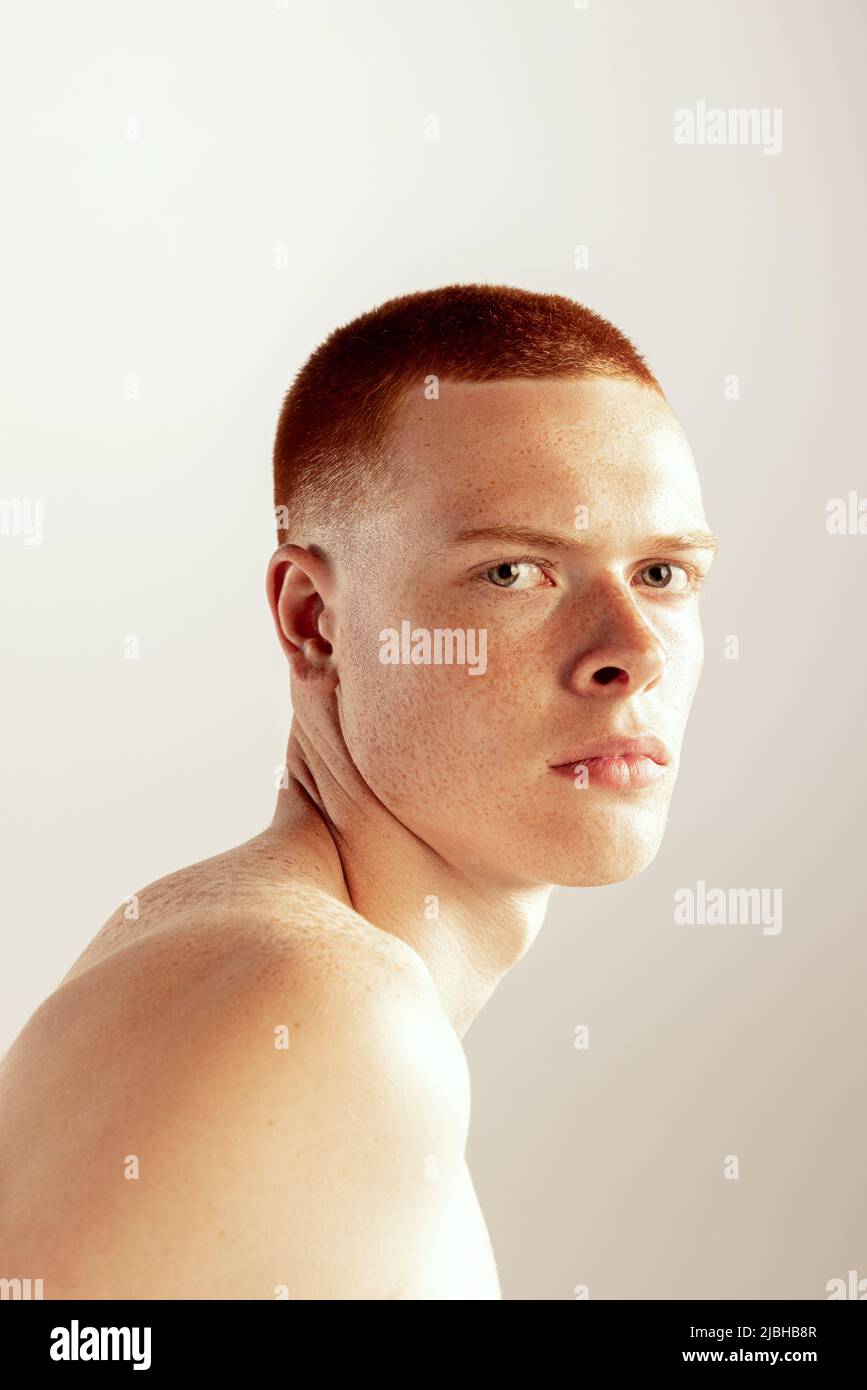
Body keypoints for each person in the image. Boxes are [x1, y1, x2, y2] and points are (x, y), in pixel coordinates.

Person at [0, 284, 717, 1299]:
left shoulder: (265, 968)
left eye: (662, 573)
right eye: (514, 571)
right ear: (315, 622)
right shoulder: (311, 1005)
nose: (631, 653)